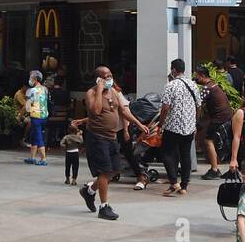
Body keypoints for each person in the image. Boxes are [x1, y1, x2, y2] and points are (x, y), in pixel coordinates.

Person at [78, 66, 144, 221]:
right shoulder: (91, 93)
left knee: (114, 170)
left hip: (112, 137)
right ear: (98, 79)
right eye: (105, 76)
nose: (109, 79)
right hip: (97, 138)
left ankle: (89, 191)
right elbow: (96, 110)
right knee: (104, 171)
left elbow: (124, 111)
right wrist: (100, 90)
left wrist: (139, 124)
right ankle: (104, 206)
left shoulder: (114, 92)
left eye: (110, 75)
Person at [155, 58, 200, 196]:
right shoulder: (193, 85)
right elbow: (199, 106)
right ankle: (184, 186)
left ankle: (174, 182)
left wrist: (161, 124)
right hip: (189, 127)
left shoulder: (170, 85)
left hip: (173, 127)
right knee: (185, 155)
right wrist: (194, 123)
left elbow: (165, 108)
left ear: (174, 70)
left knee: (167, 153)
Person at [195, 62, 234, 180]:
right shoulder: (214, 85)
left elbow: (197, 103)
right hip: (227, 116)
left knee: (208, 140)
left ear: (202, 76)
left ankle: (214, 169)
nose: (196, 78)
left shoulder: (206, 88)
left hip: (219, 118)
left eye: (197, 76)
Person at [23, 70, 49, 166]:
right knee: (34, 136)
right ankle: (32, 157)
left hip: (36, 116)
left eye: (30, 77)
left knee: (38, 138)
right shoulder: (45, 89)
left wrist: (22, 114)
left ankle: (43, 159)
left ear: (34, 79)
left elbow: (28, 106)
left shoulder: (31, 91)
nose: (29, 79)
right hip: (44, 116)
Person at [60, 120, 83, 186]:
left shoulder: (66, 137)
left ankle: (67, 179)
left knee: (67, 166)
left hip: (68, 152)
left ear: (68, 131)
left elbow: (61, 143)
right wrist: (80, 134)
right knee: (75, 167)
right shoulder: (77, 137)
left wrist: (65, 148)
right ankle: (74, 180)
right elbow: (81, 141)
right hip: (75, 152)